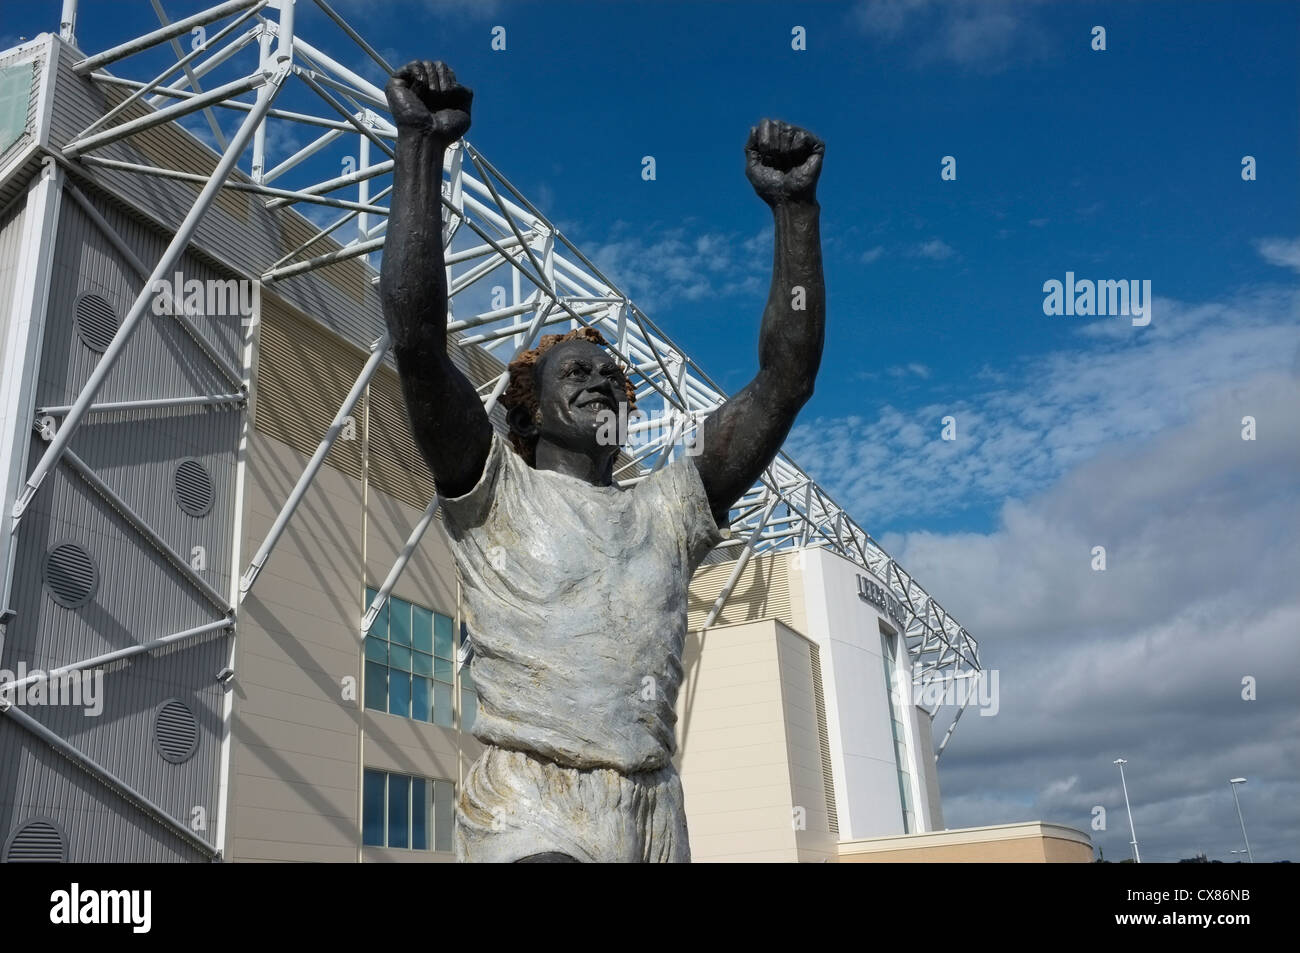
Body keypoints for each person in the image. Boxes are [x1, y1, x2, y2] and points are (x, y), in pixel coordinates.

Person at [380, 60, 825, 862]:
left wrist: (795, 213)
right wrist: (420, 146)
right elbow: (415, 339)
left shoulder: (672, 506)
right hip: (532, 799)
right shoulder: (494, 492)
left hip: (651, 806)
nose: (600, 383)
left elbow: (786, 379)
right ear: (529, 405)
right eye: (576, 373)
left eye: (613, 376)